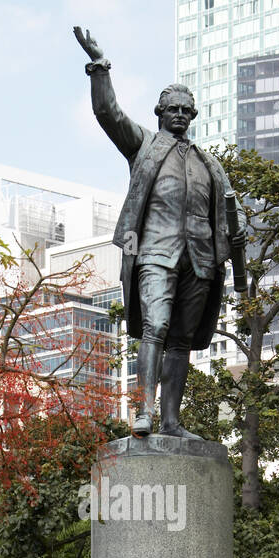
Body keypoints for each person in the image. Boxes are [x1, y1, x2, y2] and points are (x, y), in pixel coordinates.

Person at [74, 26, 237, 439]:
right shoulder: (143, 146)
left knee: (181, 341)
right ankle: (143, 413)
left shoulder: (209, 163)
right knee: (156, 328)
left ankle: (171, 421)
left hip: (199, 261)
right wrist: (99, 67)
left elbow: (227, 216)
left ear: (193, 115)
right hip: (155, 254)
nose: (179, 115)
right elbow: (108, 115)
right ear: (159, 113)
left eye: (186, 110)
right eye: (172, 109)